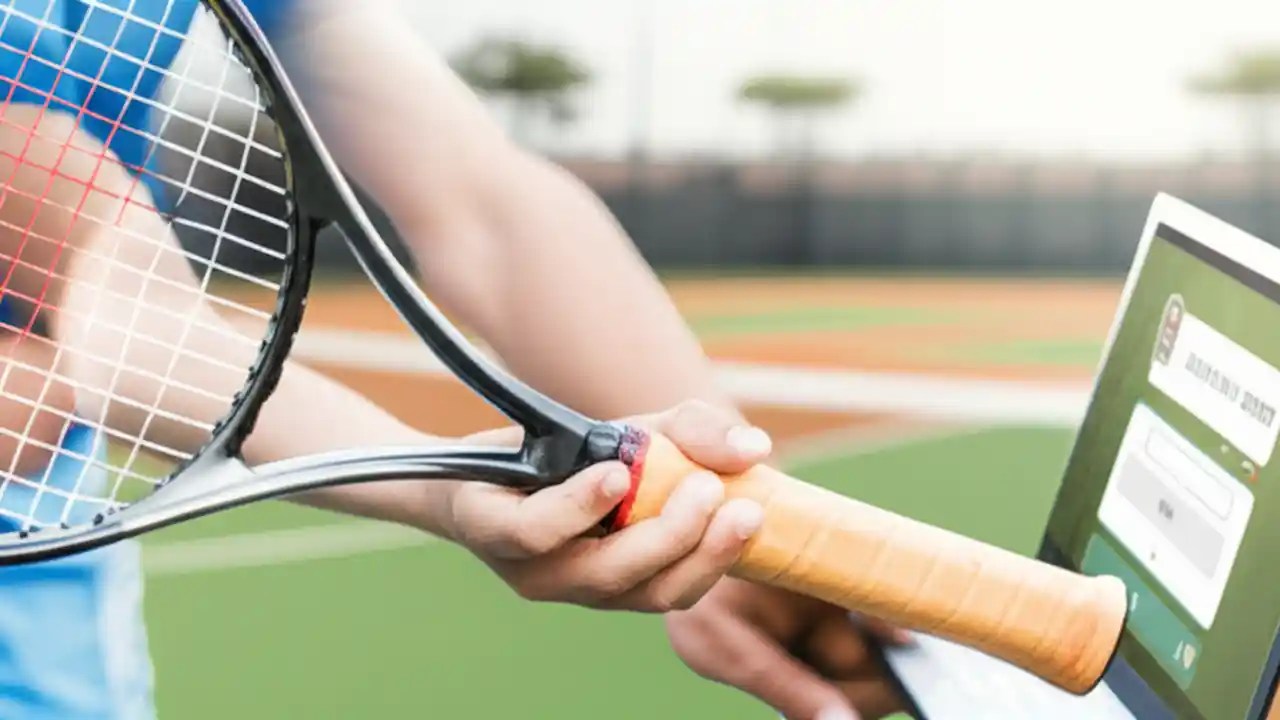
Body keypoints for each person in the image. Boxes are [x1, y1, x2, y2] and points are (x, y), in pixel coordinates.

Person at [0, 1, 904, 718]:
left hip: (52, 625)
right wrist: (444, 489)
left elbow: (485, 206)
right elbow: (108, 299)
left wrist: (752, 524)